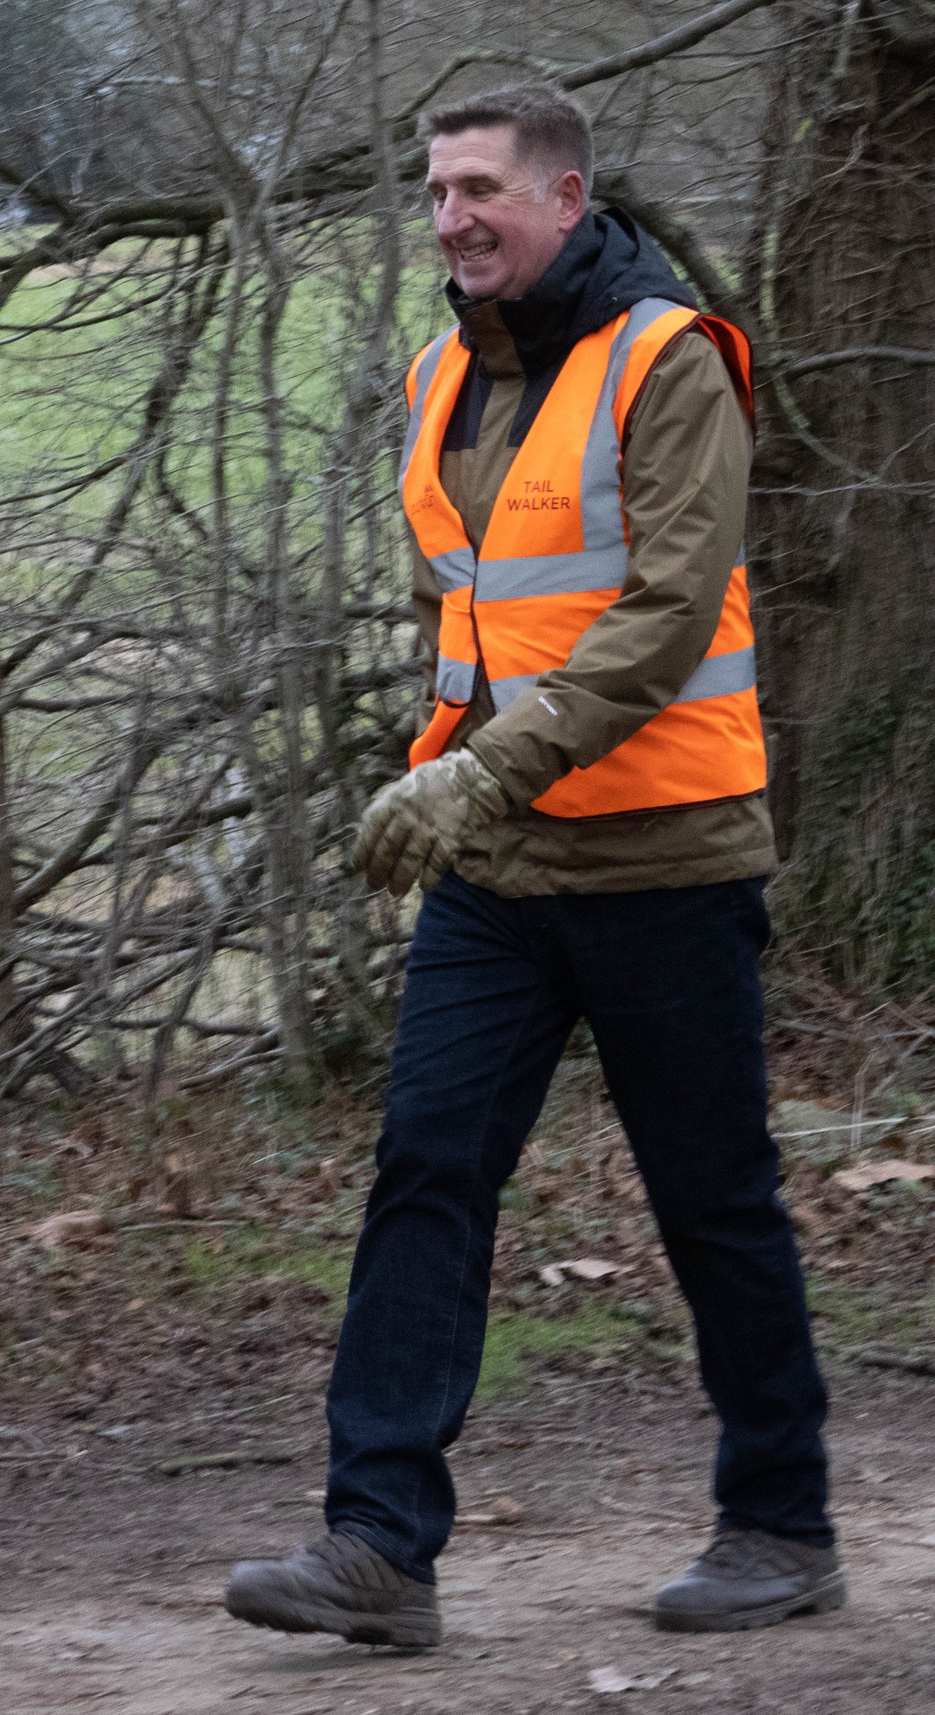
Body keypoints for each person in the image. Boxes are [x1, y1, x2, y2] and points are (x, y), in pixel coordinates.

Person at [224, 86, 839, 1646]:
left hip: (669, 856)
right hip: (497, 871)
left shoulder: (668, 357)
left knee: (713, 1199)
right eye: (437, 191)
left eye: (482, 189)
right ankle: (379, 1546)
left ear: (567, 199)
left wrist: (485, 769)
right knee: (426, 1174)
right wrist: (437, 774)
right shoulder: (444, 375)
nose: (452, 218)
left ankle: (783, 1525)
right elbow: (474, 616)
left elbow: (668, 611)